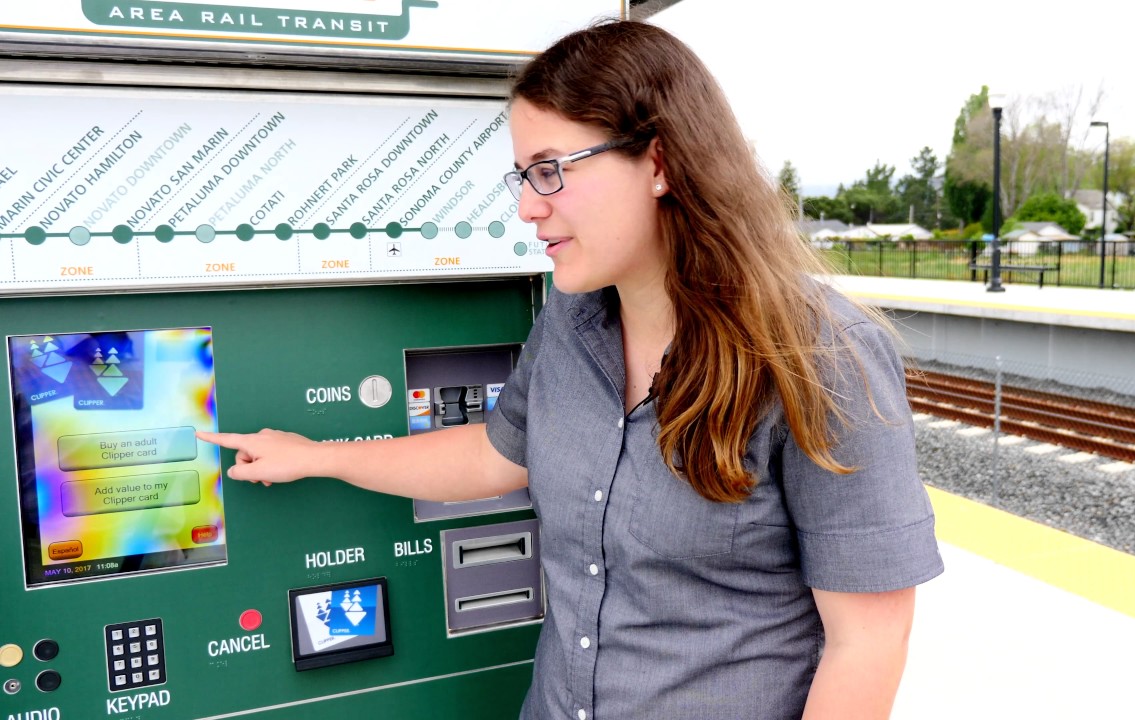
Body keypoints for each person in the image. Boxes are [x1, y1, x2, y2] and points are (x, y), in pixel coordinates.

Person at [198, 19, 942, 720]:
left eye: (549, 171)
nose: (526, 207)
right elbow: (496, 453)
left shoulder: (818, 359)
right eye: (521, 176)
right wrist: (318, 458)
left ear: (658, 161)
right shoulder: (573, 320)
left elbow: (868, 641)